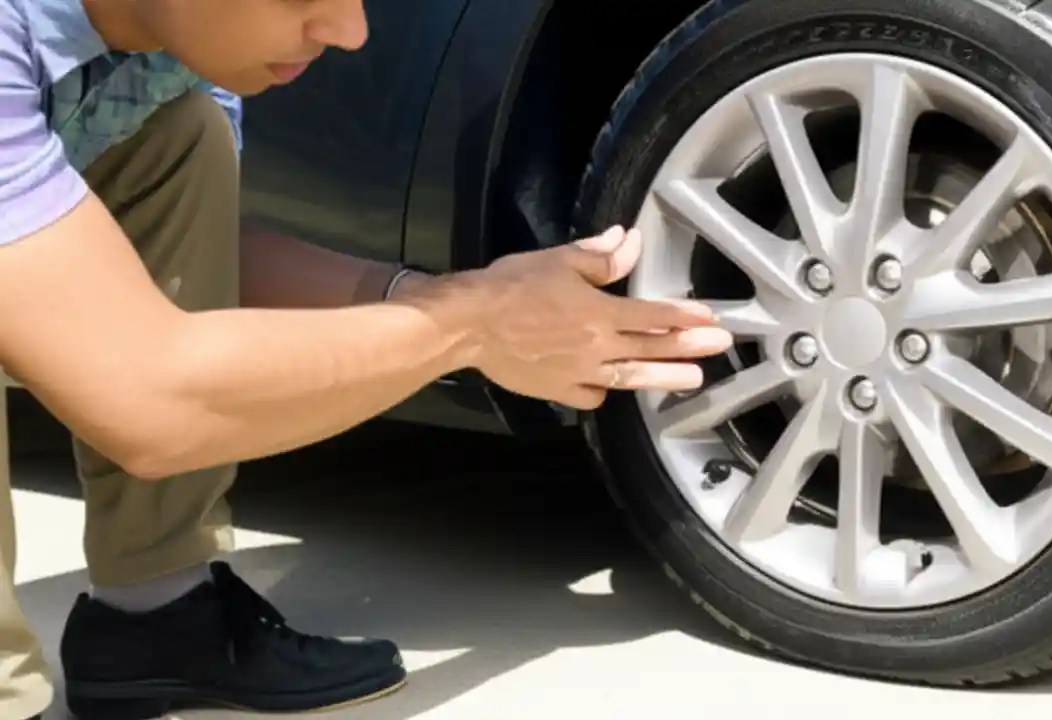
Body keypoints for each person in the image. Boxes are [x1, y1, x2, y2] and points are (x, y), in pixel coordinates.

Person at [0, 0, 733, 718]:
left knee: (174, 130)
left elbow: (175, 267)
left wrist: (441, 298)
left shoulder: (174, 40)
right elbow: (151, 401)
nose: (348, 32)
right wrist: (472, 327)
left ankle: (156, 616)